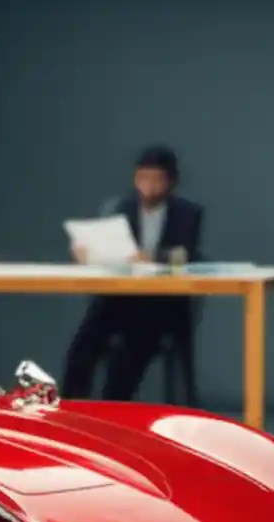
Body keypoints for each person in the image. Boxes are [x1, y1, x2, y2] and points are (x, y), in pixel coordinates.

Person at [61, 145, 204, 401]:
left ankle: (113, 408)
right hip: (120, 299)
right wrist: (88, 253)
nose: (149, 186)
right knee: (82, 346)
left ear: (171, 182)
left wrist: (151, 257)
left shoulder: (187, 213)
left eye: (156, 179)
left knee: (130, 352)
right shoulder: (120, 208)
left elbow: (185, 254)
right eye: (143, 178)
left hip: (162, 304)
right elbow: (108, 247)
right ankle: (71, 407)